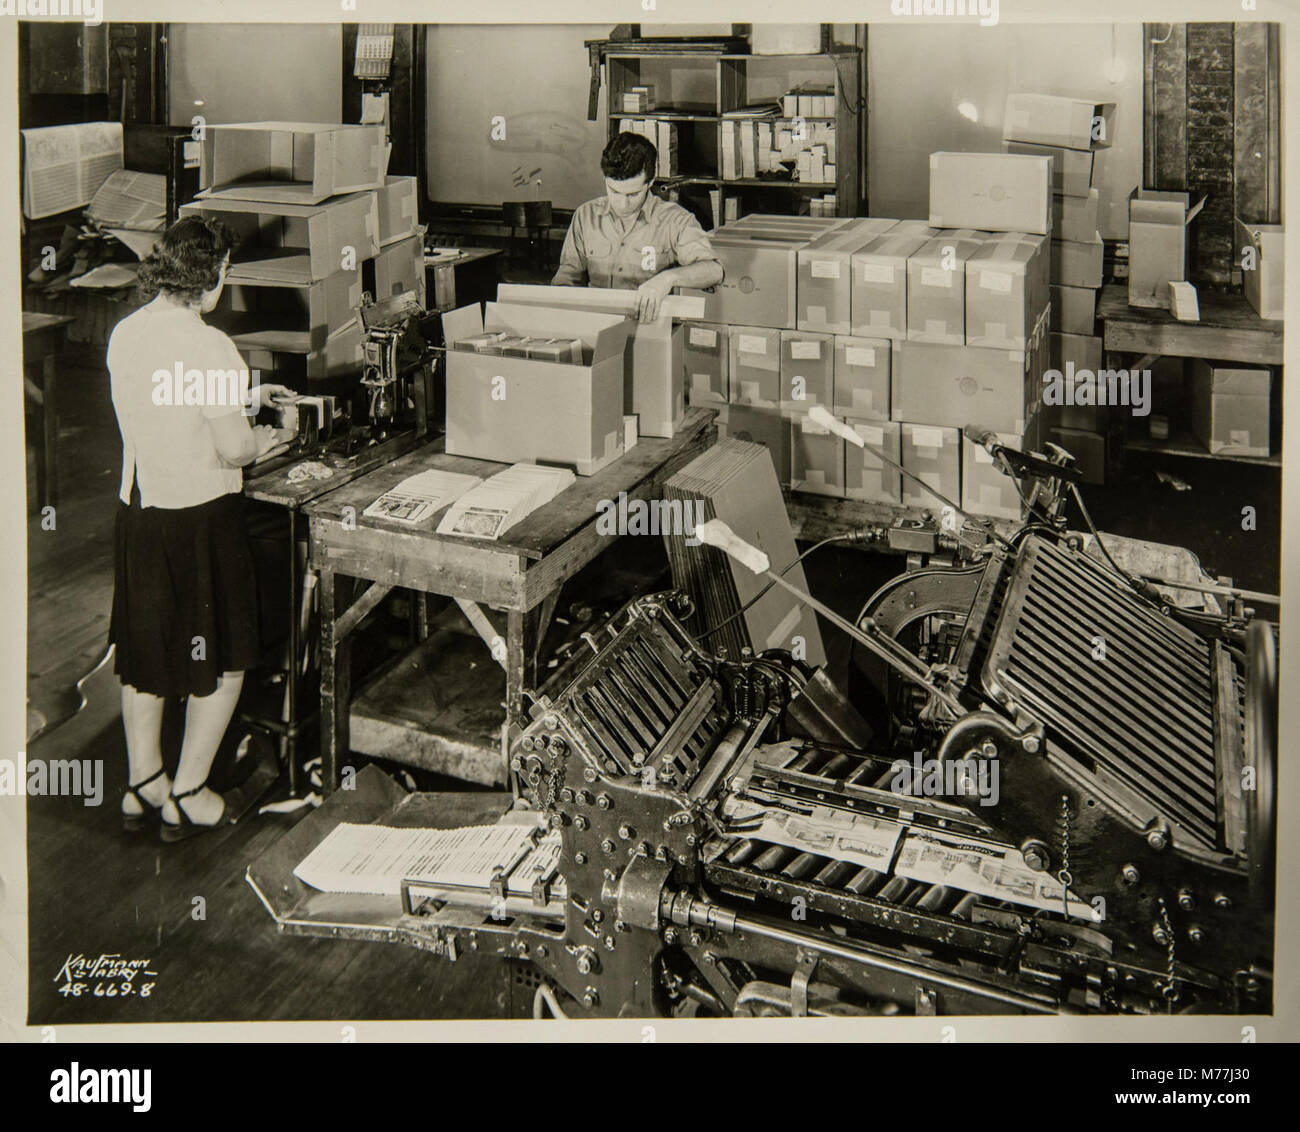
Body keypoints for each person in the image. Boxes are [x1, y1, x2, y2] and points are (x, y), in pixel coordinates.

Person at [107, 216, 295, 841]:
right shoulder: (212, 346)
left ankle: (143, 785)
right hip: (200, 520)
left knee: (147, 652)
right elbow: (237, 450)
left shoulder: (126, 333)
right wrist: (273, 434)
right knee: (223, 657)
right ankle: (188, 792)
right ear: (215, 276)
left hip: (140, 514)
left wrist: (239, 393)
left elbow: (168, 408)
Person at [552, 131, 723, 321]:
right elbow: (567, 278)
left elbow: (713, 270)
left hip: (650, 328)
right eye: (614, 191)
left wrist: (667, 279)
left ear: (650, 182)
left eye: (632, 195)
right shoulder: (585, 216)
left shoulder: (675, 221)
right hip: (594, 325)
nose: (622, 204)